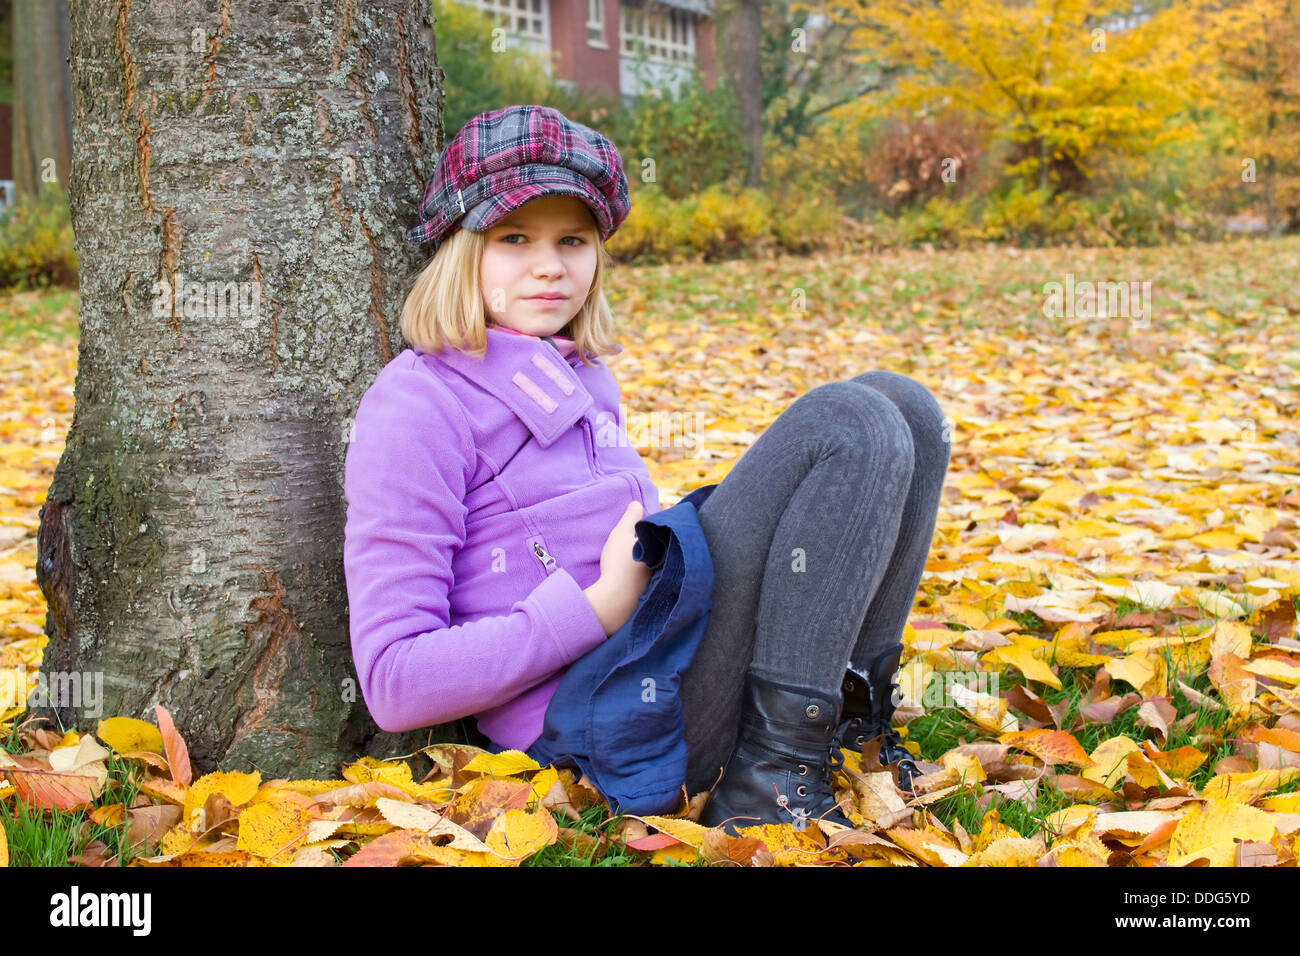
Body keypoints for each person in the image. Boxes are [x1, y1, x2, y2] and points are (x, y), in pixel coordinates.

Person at [343, 104, 950, 837]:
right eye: (513, 238)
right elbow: (394, 683)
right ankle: (772, 780)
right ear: (457, 249)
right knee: (846, 422)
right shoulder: (419, 401)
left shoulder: (585, 376)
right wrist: (597, 606)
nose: (549, 265)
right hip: (604, 724)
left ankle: (846, 721)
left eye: (573, 238)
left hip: (665, 646)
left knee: (904, 405)